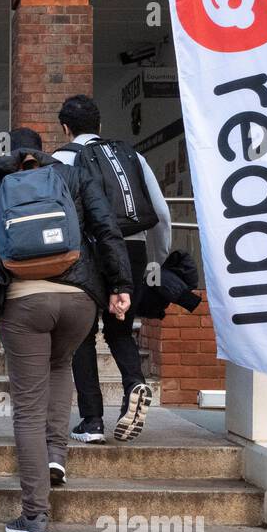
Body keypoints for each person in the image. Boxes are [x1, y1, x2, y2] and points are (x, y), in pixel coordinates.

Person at [0, 129, 133, 532]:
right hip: (79, 300)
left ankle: (34, 518)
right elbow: (106, 227)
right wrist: (120, 284)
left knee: (25, 409)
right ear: (41, 149)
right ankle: (55, 457)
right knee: (61, 368)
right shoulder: (73, 176)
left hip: (25, 301)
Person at [51, 95, 172, 444]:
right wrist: (156, 259)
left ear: (65, 127)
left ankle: (91, 422)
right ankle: (135, 384)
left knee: (81, 336)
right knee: (120, 330)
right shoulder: (131, 155)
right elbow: (161, 213)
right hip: (130, 251)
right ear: (100, 126)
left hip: (86, 255)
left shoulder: (61, 159)